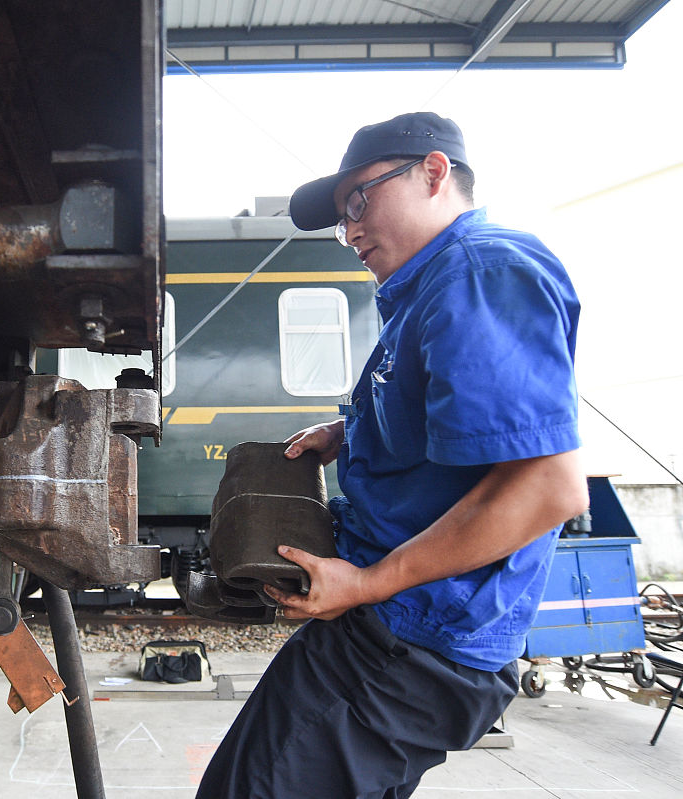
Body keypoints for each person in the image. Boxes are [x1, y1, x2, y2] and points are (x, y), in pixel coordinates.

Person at [196, 112, 589, 799]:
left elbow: (548, 487)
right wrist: (351, 430)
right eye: (340, 218)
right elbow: (455, 424)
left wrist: (369, 583)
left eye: (358, 201)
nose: (349, 230)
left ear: (434, 173)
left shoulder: (478, 274)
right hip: (393, 627)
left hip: (413, 639)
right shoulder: (429, 286)